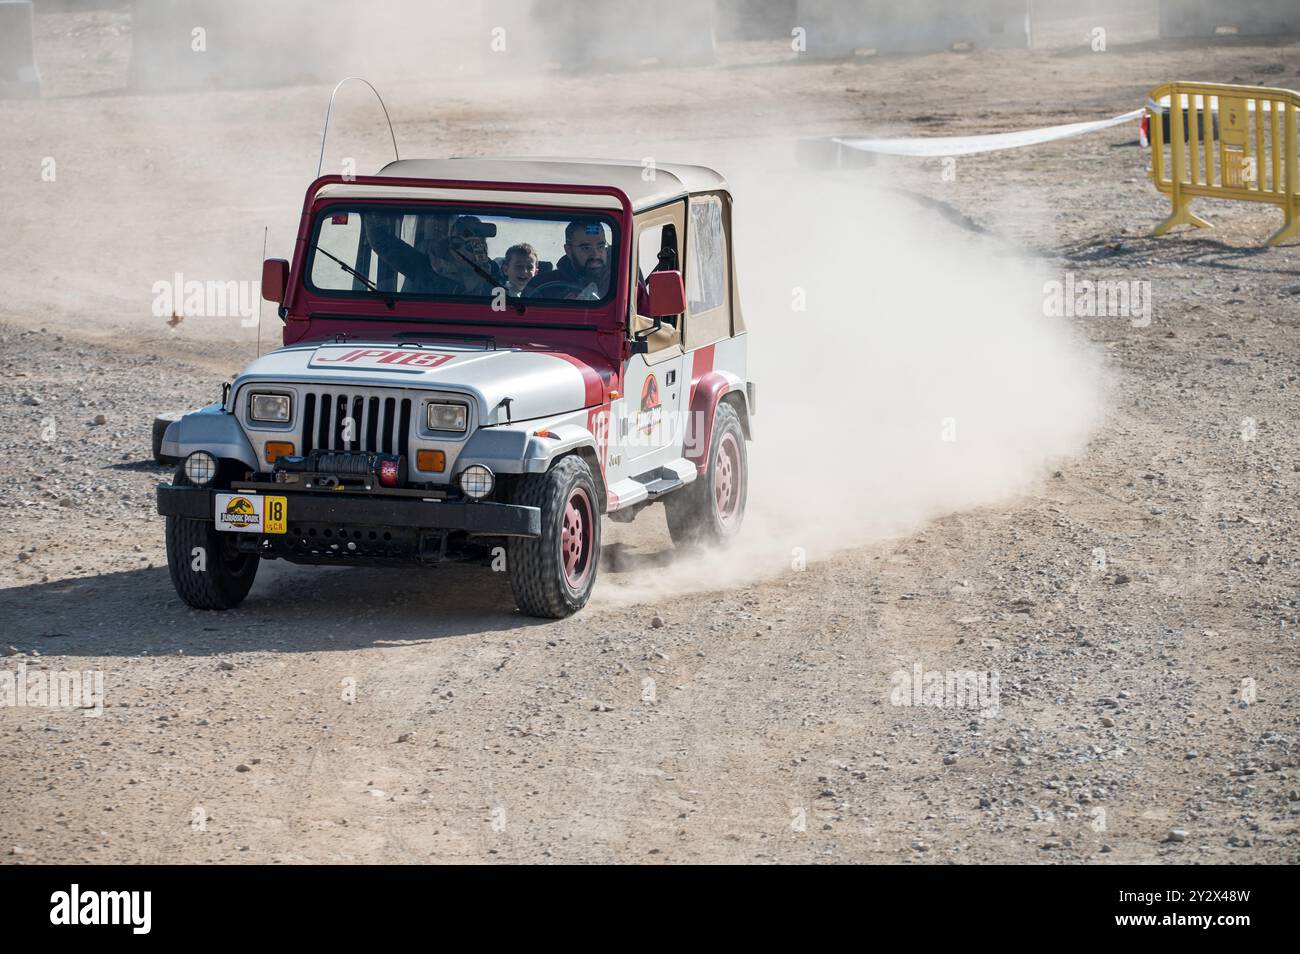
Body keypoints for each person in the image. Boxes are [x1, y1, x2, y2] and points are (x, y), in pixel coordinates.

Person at [527, 219, 611, 300]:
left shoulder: (619, 281)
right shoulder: (541, 285)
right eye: (586, 248)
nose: (595, 255)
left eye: (601, 246)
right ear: (569, 250)